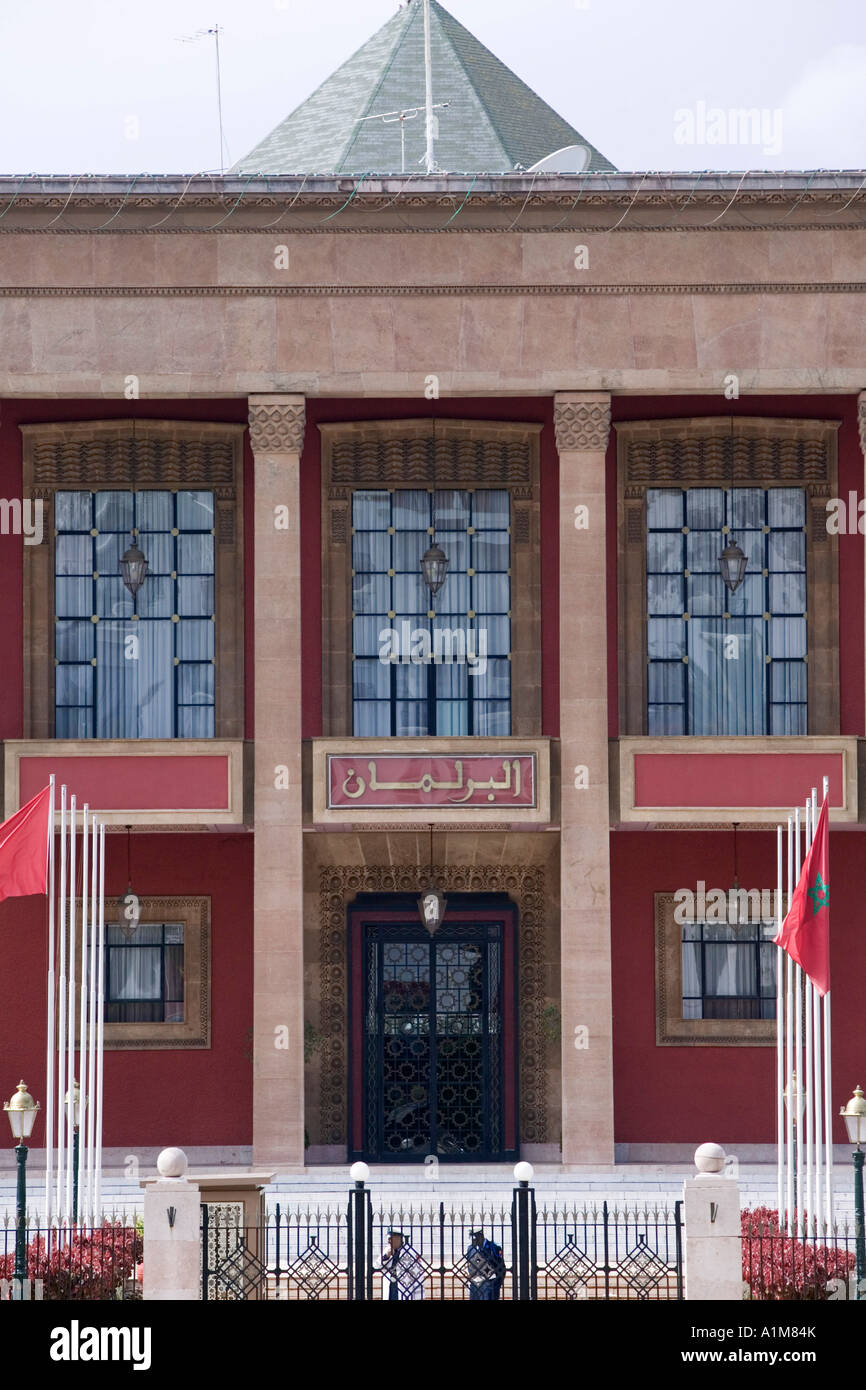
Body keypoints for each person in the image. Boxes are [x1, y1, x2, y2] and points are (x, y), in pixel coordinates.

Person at [381, 1230, 426, 1301]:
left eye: (391, 1238)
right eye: (388, 1239)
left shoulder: (410, 1253)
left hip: (404, 1289)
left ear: (399, 1238)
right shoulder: (387, 1250)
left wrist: (419, 1296)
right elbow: (377, 1267)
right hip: (390, 1288)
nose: (389, 1241)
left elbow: (418, 1274)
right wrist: (386, 1256)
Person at [465, 1229, 505, 1301]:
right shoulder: (470, 1248)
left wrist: (497, 1284)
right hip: (475, 1285)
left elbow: (501, 1267)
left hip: (489, 1285)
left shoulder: (493, 1247)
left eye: (475, 1237)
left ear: (480, 1236)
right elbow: (469, 1265)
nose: (473, 1240)